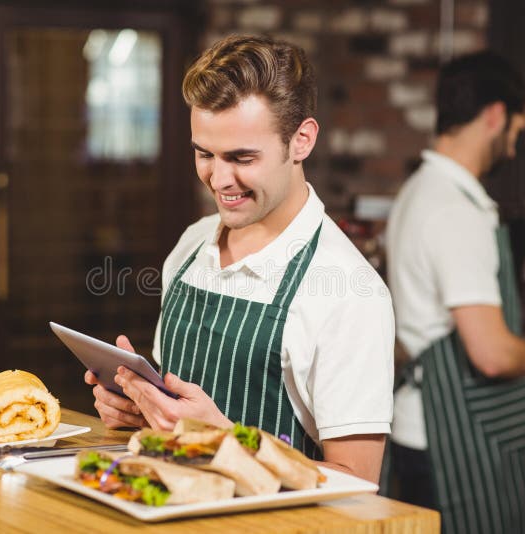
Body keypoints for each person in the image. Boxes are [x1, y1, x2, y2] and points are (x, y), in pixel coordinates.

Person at [84, 34, 394, 482]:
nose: (220, 179)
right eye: (204, 154)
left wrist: (228, 440)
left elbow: (358, 484)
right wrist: (142, 411)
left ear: (301, 141)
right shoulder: (191, 247)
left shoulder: (349, 290)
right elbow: (178, 428)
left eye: (242, 157)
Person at [383, 51, 525, 532]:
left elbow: (432, 335)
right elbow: (489, 353)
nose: (513, 148)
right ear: (495, 115)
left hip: (422, 425)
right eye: (515, 131)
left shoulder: (419, 190)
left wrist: (516, 397)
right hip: (451, 445)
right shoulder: (456, 209)